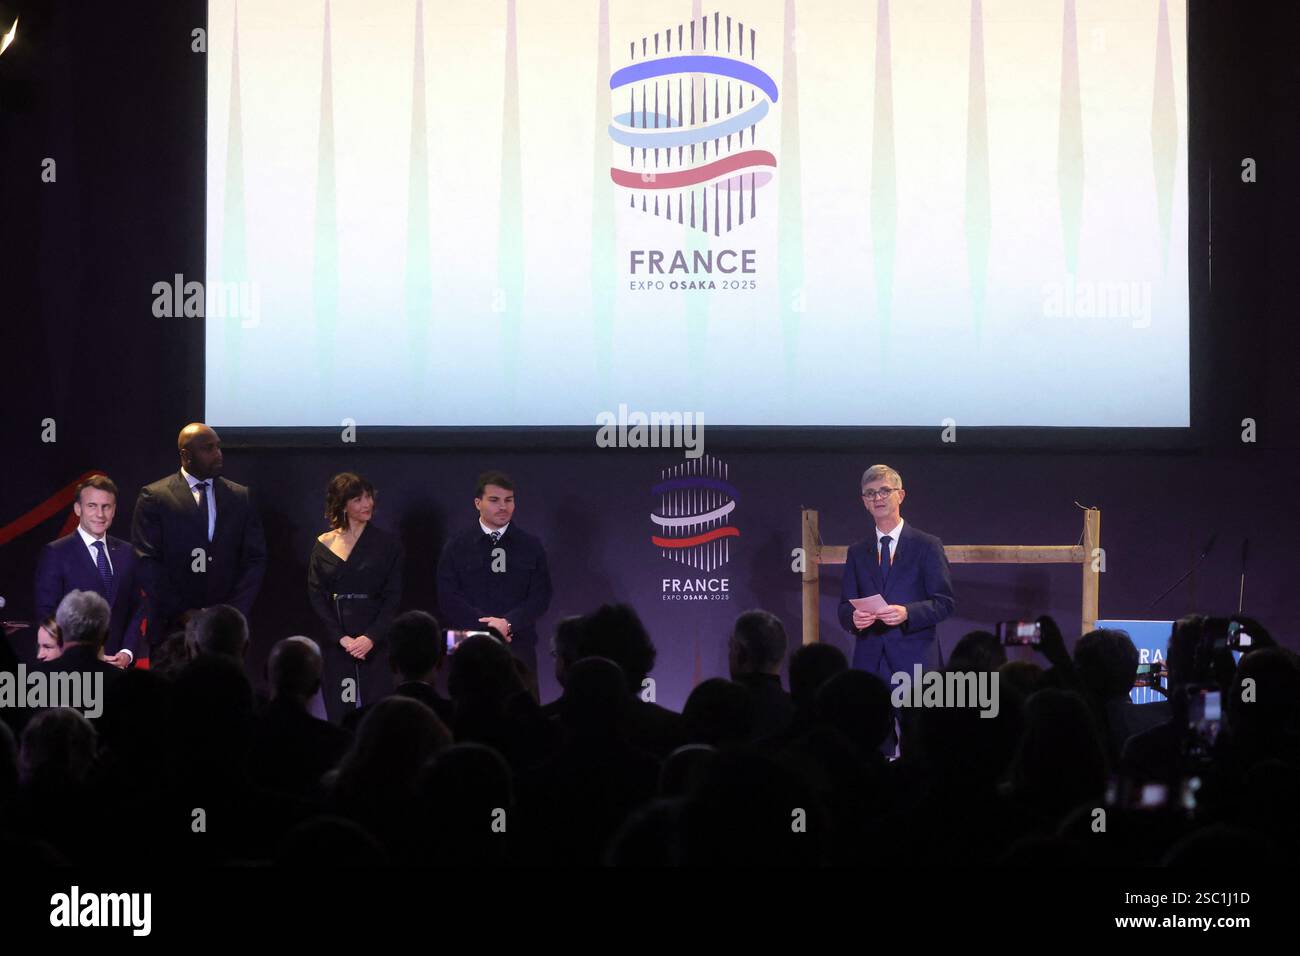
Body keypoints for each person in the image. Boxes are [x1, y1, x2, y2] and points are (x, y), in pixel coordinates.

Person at [837, 465, 954, 755]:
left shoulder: (927, 546)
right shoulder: (857, 551)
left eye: (884, 491)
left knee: (922, 746)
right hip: (870, 663)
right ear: (864, 501)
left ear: (900, 495)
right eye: (871, 493)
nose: (878, 498)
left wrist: (908, 613)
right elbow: (843, 606)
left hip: (914, 662)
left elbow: (944, 602)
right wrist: (853, 618)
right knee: (869, 747)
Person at [131, 423, 266, 644]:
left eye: (218, 447)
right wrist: (183, 613)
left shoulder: (241, 497)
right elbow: (146, 562)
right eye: (208, 448)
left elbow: (255, 560)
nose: (218, 454)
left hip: (227, 632)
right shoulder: (154, 497)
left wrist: (232, 612)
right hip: (172, 630)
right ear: (186, 454)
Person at [436, 471, 552, 699]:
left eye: (509, 500)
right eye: (494, 500)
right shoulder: (456, 546)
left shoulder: (531, 545)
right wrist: (488, 628)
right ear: (478, 503)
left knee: (522, 718)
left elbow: (541, 596)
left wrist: (507, 624)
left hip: (518, 643)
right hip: (466, 644)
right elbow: (447, 597)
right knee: (468, 716)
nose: (503, 507)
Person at [308, 472, 403, 724]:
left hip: (375, 640)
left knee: (378, 713)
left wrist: (370, 637)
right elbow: (316, 596)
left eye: (369, 497)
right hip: (338, 641)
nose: (367, 504)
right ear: (342, 504)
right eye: (358, 499)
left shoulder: (387, 544)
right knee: (340, 711)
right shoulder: (323, 544)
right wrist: (341, 638)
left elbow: (393, 595)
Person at [34, 475, 146, 668]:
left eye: (106, 507)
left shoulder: (127, 553)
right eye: (92, 506)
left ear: (114, 510)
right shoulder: (57, 553)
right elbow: (47, 614)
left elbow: (136, 607)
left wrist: (127, 652)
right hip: (74, 670)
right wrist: (84, 654)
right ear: (78, 509)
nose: (100, 514)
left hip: (119, 668)